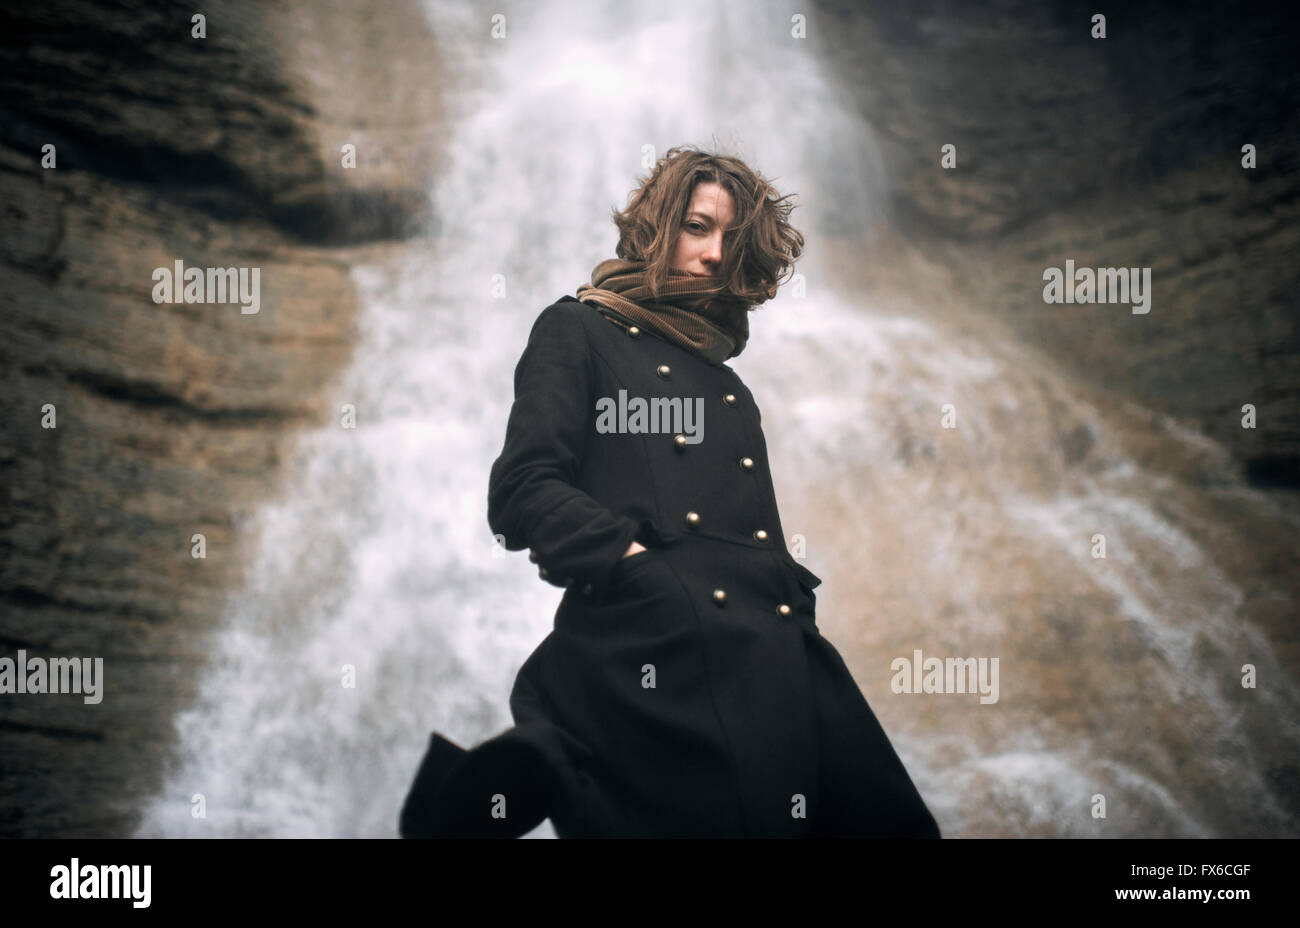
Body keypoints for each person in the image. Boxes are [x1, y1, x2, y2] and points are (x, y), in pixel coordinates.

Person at [399, 145, 941, 839]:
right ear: (656, 227)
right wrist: (633, 565)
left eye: (730, 238)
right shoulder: (580, 328)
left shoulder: (728, 381)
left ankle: (549, 762)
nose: (715, 254)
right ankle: (531, 768)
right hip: (665, 645)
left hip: (777, 649)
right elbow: (523, 487)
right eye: (696, 226)